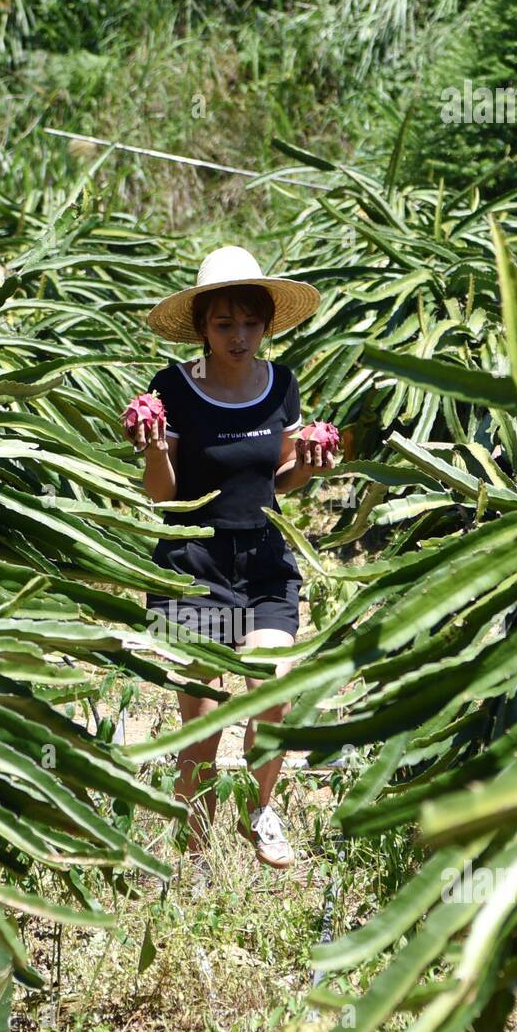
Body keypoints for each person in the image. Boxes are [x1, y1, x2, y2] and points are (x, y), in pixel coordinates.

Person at [126, 244, 339, 875]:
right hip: (193, 562)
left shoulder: (283, 386)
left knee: (270, 691)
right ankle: (191, 845)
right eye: (224, 324)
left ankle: (260, 809)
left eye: (250, 323)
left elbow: (277, 481)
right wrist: (155, 446)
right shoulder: (171, 391)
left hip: (265, 556)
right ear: (202, 328)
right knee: (203, 718)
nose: (239, 336)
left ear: (267, 325)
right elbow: (163, 498)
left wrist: (310, 465)